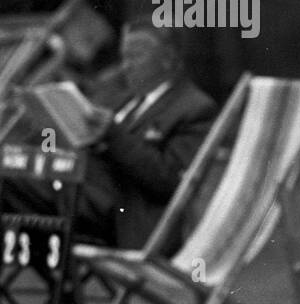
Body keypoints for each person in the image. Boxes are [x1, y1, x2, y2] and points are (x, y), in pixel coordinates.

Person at [4, 20, 217, 256]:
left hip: (122, 214)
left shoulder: (194, 108)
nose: (126, 66)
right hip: (79, 193)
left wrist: (113, 134)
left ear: (168, 58)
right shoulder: (123, 99)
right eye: (124, 57)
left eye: (136, 56)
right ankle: (56, 277)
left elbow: (170, 181)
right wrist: (47, 120)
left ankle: (55, 272)